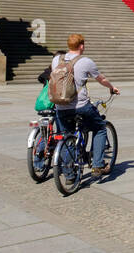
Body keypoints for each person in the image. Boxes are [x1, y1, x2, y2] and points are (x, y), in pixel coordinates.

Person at [50, 34, 120, 175]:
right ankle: (97, 165)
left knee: (66, 135)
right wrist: (112, 88)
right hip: (80, 106)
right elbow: (101, 79)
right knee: (100, 128)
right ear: (81, 46)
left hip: (60, 106)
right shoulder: (86, 61)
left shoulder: (57, 59)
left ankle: (69, 175)